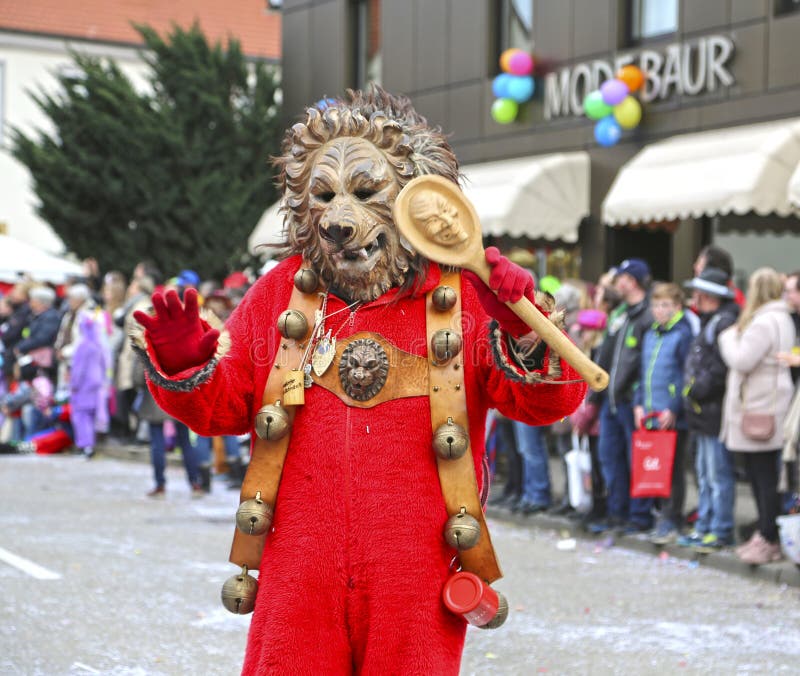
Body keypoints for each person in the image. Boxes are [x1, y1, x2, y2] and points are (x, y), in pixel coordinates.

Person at [131, 87, 586, 674]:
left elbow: (545, 405)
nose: (339, 219)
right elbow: (227, 408)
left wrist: (526, 331)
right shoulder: (280, 293)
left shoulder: (463, 297)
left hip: (415, 571)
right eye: (324, 196)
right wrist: (186, 362)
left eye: (366, 193)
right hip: (298, 565)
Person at [719, 267, 795, 565]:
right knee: (764, 475)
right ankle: (766, 534)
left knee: (762, 477)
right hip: (769, 404)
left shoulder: (764, 322)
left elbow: (741, 359)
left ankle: (768, 537)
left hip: (759, 408)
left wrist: (727, 337)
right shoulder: (783, 318)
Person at [589, 258, 654, 534]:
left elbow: (644, 361)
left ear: (634, 281)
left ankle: (638, 515)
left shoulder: (647, 315)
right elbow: (606, 355)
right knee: (610, 456)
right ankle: (617, 512)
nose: (618, 282)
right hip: (611, 399)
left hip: (630, 399)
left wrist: (639, 395)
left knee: (635, 458)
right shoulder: (621, 314)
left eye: (623, 277)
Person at [680, 267, 740, 553]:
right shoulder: (713, 320)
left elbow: (718, 369)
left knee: (718, 474)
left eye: (698, 292)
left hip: (713, 411)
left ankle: (720, 529)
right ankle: (705, 525)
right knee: (705, 474)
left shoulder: (724, 322)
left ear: (709, 295)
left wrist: (694, 390)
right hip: (703, 413)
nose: (694, 297)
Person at [633, 283, 694, 545]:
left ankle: (672, 518)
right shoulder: (650, 334)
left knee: (672, 469)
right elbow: (642, 372)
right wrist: (638, 404)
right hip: (649, 412)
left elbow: (684, 375)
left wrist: (673, 406)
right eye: (656, 305)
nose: (660, 310)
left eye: (666, 305)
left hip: (671, 415)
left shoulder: (682, 335)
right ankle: (661, 515)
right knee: (654, 466)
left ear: (677, 307)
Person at [69, 313, 107, 459]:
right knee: (91, 416)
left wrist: (74, 384)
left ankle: (86, 446)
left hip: (83, 385)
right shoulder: (98, 344)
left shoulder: (83, 345)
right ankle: (90, 445)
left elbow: (78, 369)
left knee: (81, 416)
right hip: (96, 384)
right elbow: (105, 364)